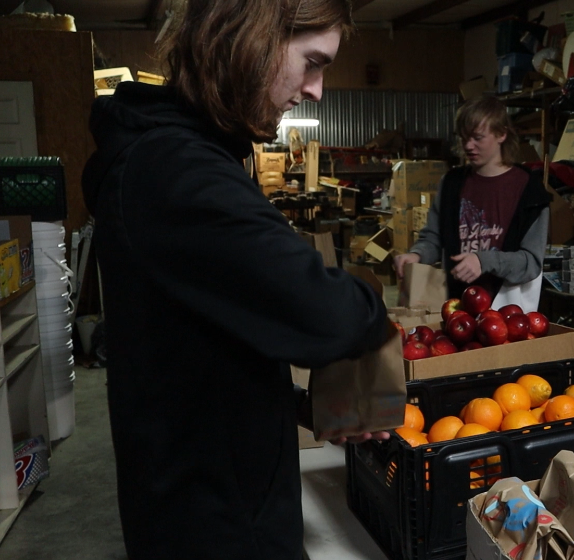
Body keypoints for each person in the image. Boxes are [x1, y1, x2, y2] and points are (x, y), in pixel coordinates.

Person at [81, 1, 390, 558]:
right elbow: (329, 314)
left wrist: (294, 405)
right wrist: (370, 298)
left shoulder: (183, 155)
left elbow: (201, 347)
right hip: (212, 526)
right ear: (253, 39)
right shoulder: (176, 169)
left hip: (218, 493)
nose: (316, 90)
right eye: (312, 62)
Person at [393, 96, 551, 311]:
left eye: (478, 138)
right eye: (464, 138)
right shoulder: (451, 184)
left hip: (506, 312)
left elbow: (531, 263)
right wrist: (417, 254)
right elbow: (434, 238)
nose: (468, 146)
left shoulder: (529, 190)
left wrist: (484, 261)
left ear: (502, 134)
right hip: (456, 308)